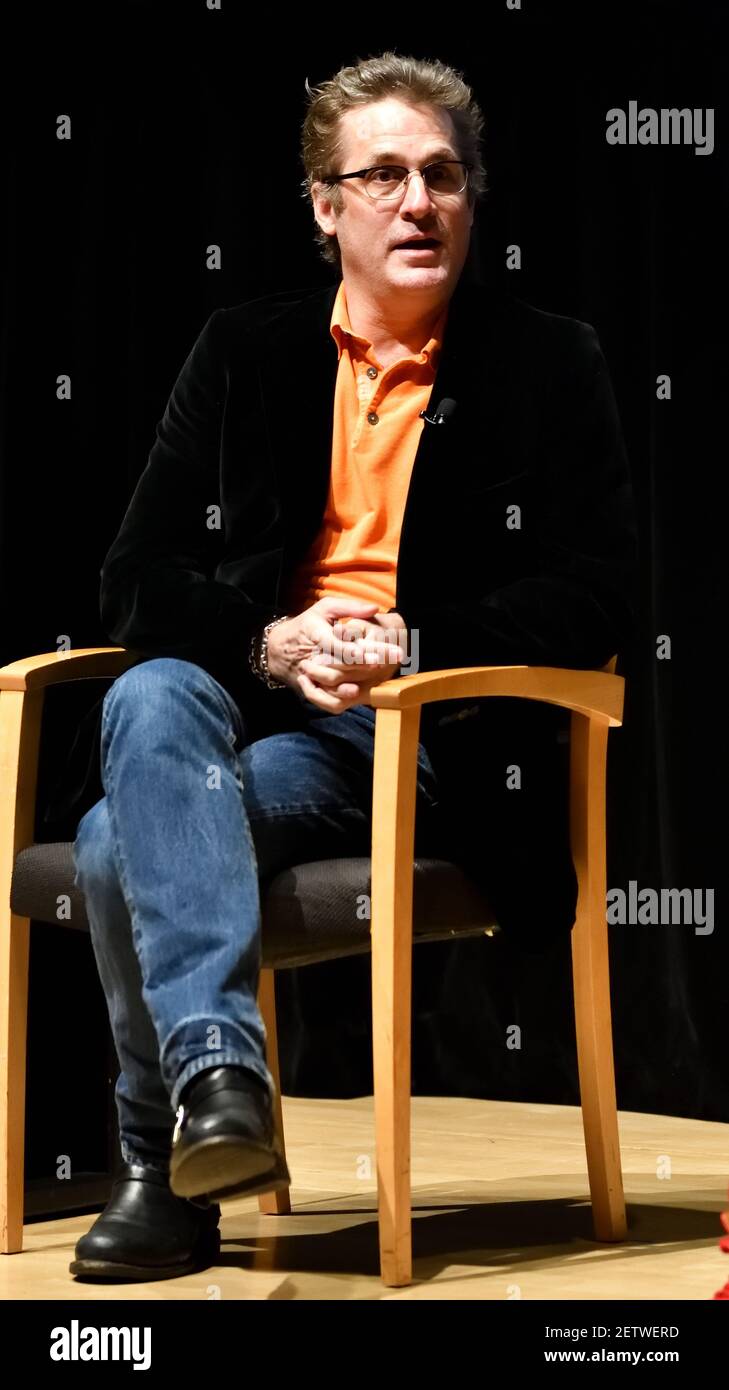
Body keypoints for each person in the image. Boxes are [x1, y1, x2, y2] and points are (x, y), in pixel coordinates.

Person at [67, 51, 638, 1281]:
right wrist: (270, 643)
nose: (418, 200)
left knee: (122, 840)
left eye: (443, 175)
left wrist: (415, 646)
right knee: (152, 685)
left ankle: (160, 1175)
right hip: (270, 718)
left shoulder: (551, 361)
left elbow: (602, 591)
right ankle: (219, 1083)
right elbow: (135, 576)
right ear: (326, 207)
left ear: (473, 201)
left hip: (434, 739)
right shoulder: (244, 350)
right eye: (383, 174)